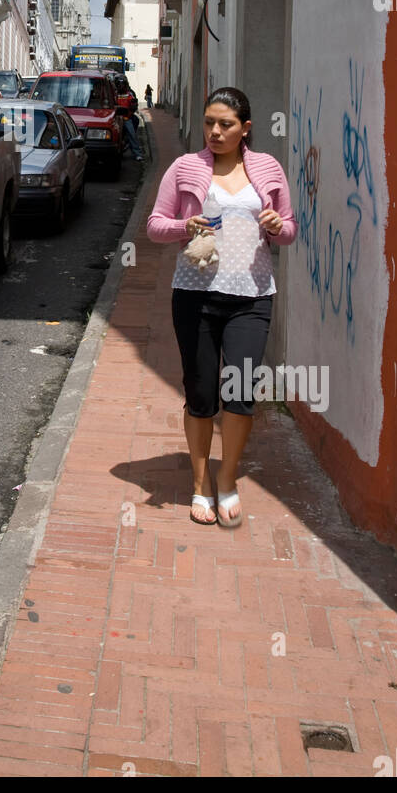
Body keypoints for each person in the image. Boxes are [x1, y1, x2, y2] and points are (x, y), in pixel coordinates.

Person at [146, 87, 296, 528]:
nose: (214, 131)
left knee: (241, 394)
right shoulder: (185, 167)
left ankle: (227, 478)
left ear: (245, 128)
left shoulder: (267, 168)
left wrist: (276, 224)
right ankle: (200, 483)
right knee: (201, 393)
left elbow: (289, 230)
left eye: (225, 124)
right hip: (195, 296)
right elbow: (155, 225)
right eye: (210, 122)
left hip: (252, 297)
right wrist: (182, 226)